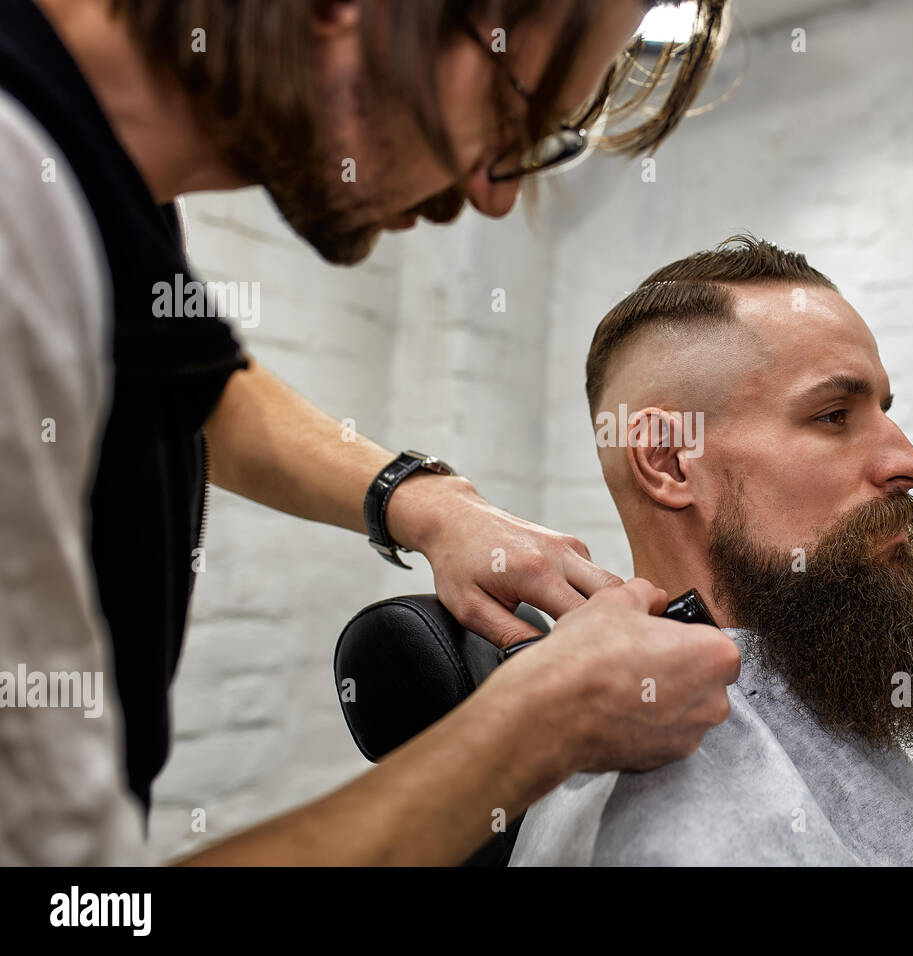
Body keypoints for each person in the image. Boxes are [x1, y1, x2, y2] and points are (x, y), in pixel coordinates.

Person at [0, 0, 741, 866]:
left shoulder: (93, 185)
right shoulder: (20, 221)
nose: (494, 196)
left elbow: (188, 380)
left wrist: (425, 503)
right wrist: (548, 723)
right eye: (510, 112)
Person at [509, 236, 913, 865]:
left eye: (882, 411)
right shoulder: (661, 813)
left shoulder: (806, 678)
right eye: (834, 415)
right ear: (670, 462)